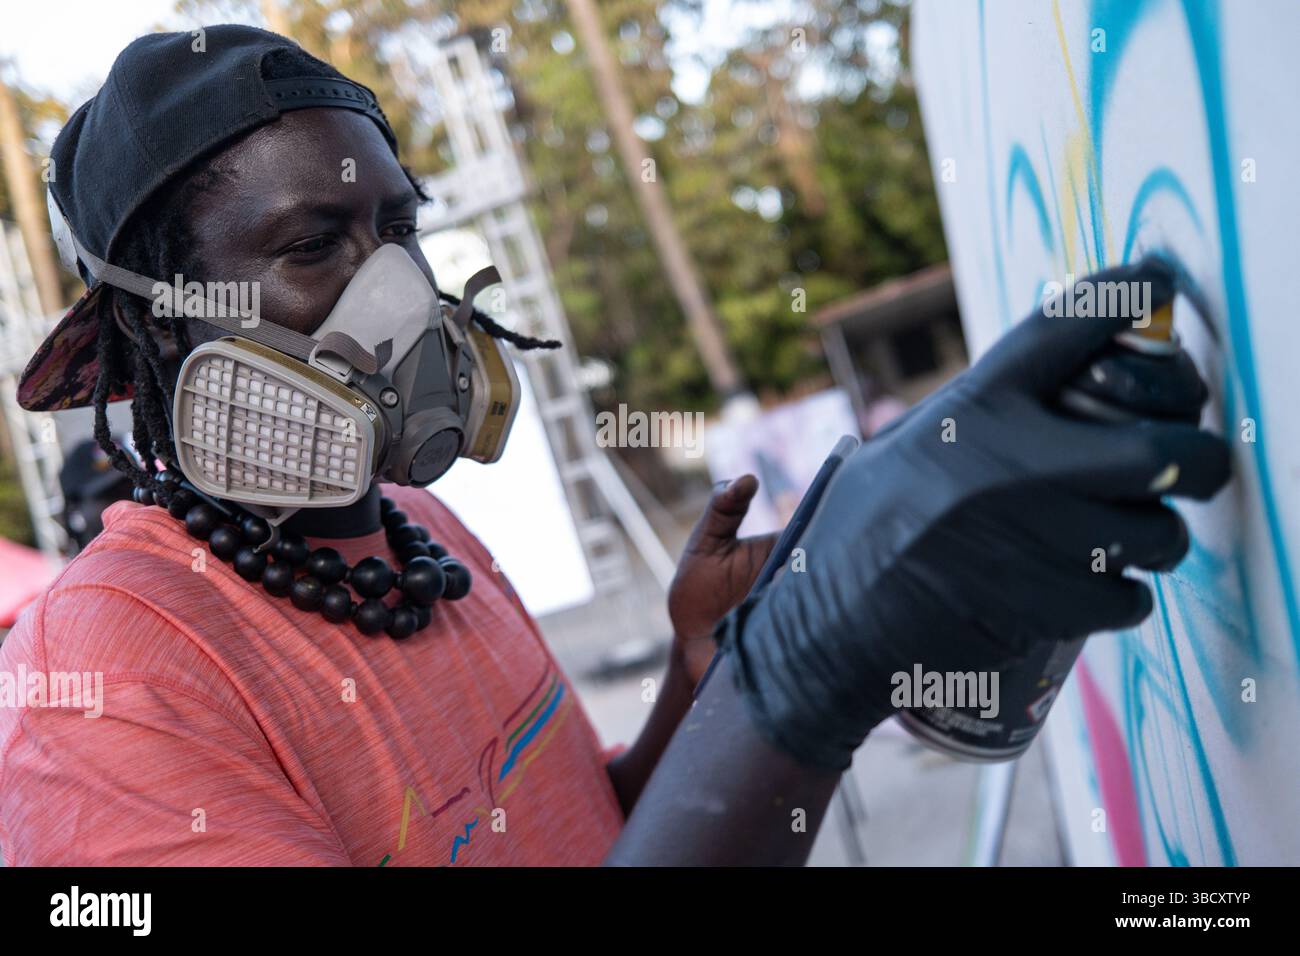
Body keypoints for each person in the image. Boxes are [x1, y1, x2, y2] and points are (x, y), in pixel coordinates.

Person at [0, 26, 1229, 866]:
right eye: (314, 243)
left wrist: (706, 676)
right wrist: (794, 678)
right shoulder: (106, 676)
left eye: (398, 231)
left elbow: (598, 831)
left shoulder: (419, 531)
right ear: (157, 316)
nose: (397, 292)